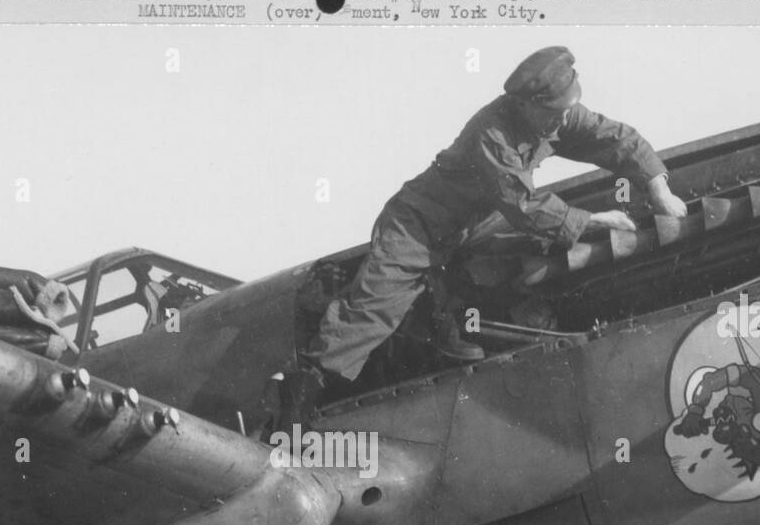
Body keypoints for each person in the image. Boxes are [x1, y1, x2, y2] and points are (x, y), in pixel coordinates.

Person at [286, 46, 688, 425]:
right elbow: (522, 203)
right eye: (556, 112)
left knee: (533, 252)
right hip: (420, 224)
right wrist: (596, 221)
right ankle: (295, 402)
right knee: (372, 308)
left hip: (477, 224)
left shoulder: (557, 114)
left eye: (569, 108)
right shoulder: (490, 132)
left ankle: (456, 315)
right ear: (527, 105)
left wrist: (659, 188)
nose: (565, 120)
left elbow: (616, 138)